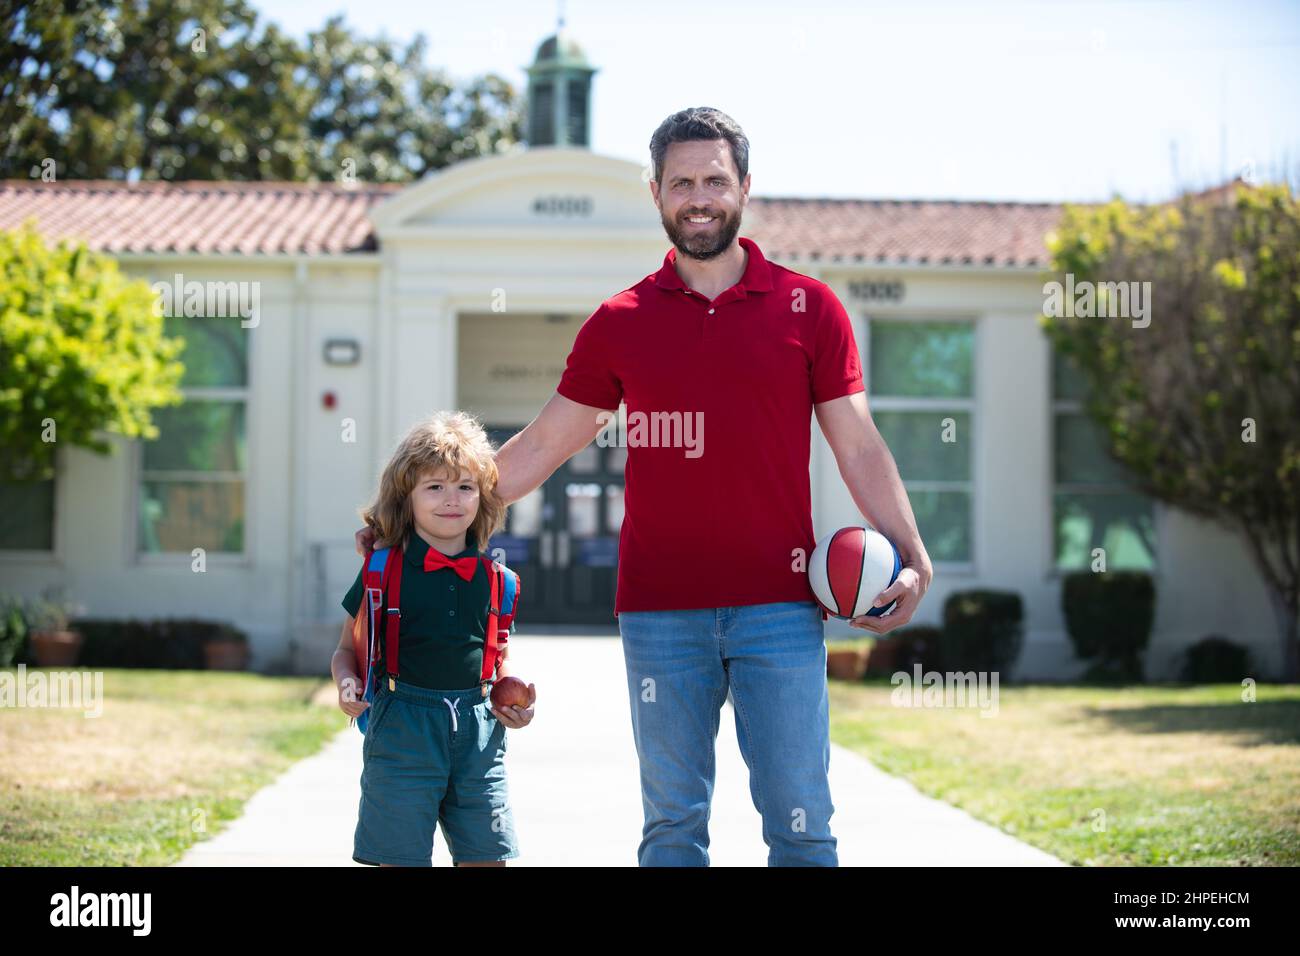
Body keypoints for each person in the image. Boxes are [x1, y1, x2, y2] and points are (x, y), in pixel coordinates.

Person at [356, 107, 933, 866]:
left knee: (801, 823)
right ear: (655, 192)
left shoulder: (809, 309)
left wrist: (913, 556)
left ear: (746, 188)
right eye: (682, 181)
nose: (700, 196)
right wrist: (409, 512)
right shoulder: (620, 322)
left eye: (716, 180)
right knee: (672, 829)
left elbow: (856, 442)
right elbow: (538, 450)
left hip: (783, 607)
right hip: (663, 614)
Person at [332, 410, 536, 867]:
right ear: (407, 498)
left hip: (479, 735)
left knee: (489, 855)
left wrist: (512, 701)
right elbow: (347, 650)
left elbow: (496, 661)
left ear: (482, 498)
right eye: (434, 486)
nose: (451, 499)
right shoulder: (380, 572)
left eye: (465, 486)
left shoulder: (500, 582)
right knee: (400, 857)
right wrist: (347, 684)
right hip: (402, 728)